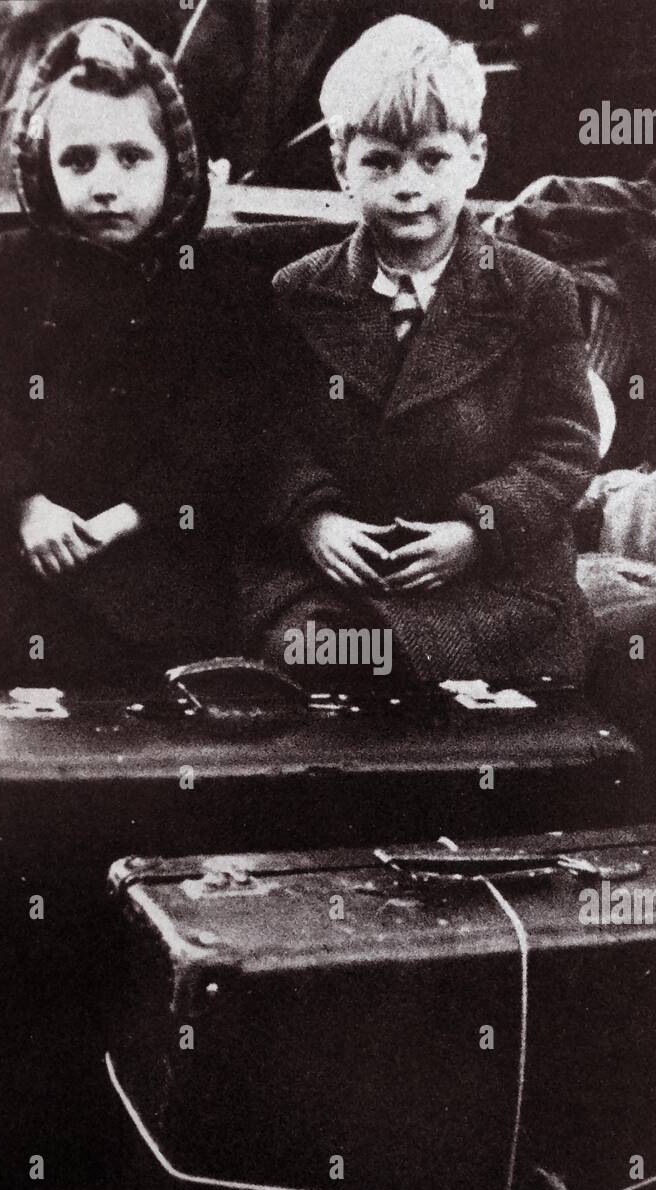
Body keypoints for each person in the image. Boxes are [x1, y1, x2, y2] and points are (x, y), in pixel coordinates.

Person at [0, 17, 278, 828]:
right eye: (77, 160)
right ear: (43, 169)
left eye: (131, 157)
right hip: (10, 525)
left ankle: (108, 823)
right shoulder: (5, 271)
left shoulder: (207, 288)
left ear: (176, 166)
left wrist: (131, 513)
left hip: (147, 530)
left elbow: (224, 422)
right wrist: (22, 505)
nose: (105, 184)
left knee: (148, 677)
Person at [238, 15, 601, 688]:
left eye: (432, 160)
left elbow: (565, 444)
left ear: (476, 158)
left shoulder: (535, 290)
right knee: (312, 652)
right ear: (341, 167)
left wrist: (476, 530)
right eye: (380, 162)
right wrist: (314, 519)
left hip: (494, 576)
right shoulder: (297, 292)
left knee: (495, 664)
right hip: (341, 576)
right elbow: (268, 434)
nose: (409, 186)